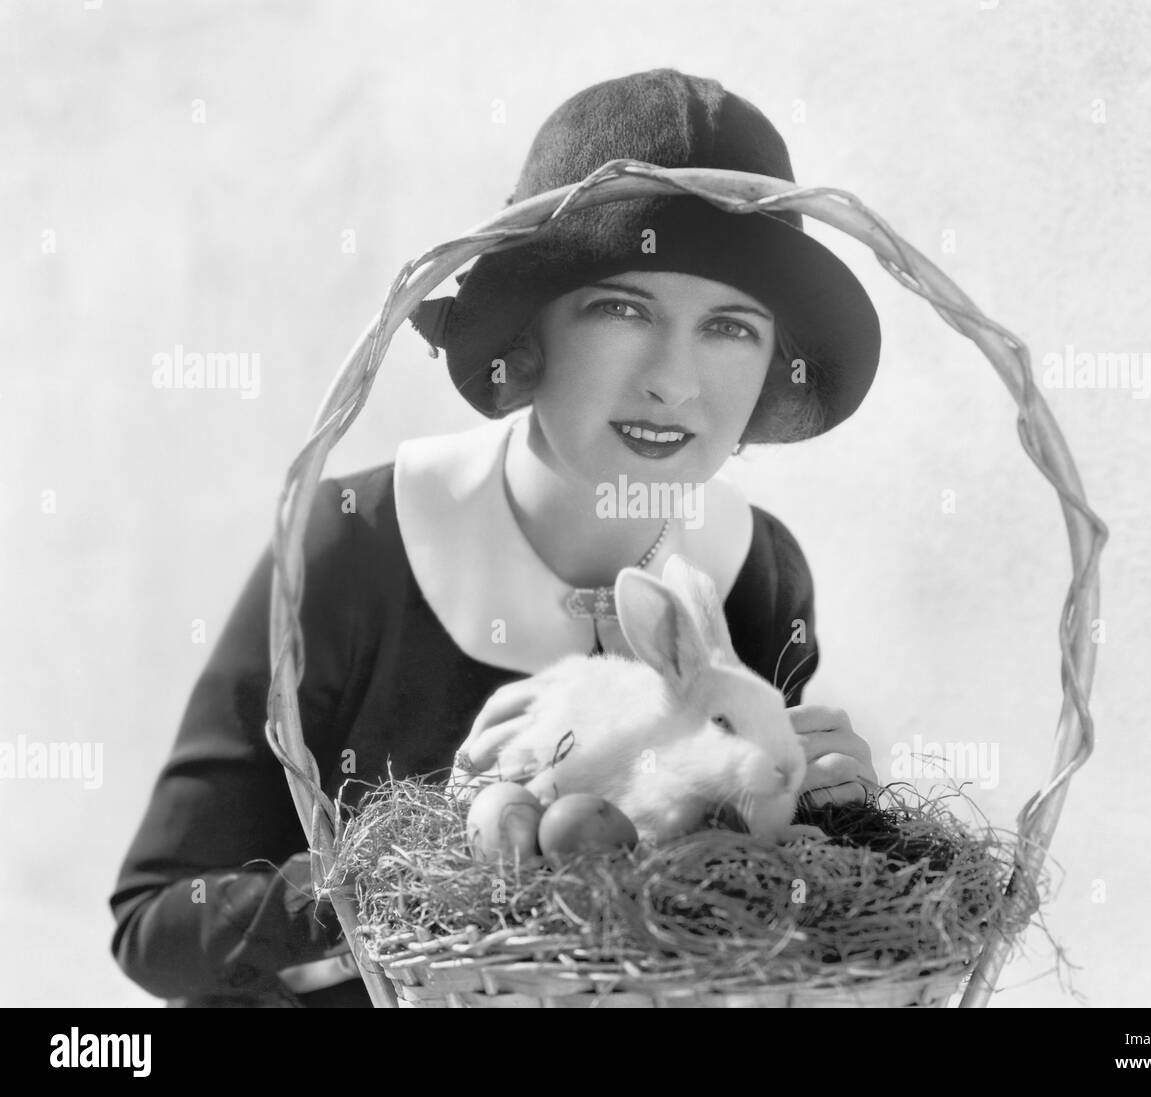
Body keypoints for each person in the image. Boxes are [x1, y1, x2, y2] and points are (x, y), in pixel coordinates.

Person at [109, 68, 883, 1007]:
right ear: (528, 335)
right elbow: (155, 928)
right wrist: (431, 864)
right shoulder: (353, 542)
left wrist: (836, 827)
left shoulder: (758, 571)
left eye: (730, 327)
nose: (675, 382)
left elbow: (728, 925)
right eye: (622, 308)